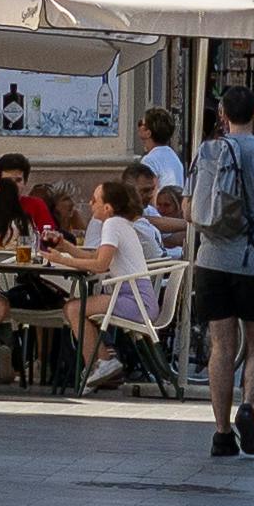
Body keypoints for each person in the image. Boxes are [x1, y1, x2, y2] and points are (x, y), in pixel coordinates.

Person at [186, 98, 254, 462]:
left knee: (221, 346)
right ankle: (248, 406)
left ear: (222, 115)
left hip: (211, 262)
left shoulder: (206, 152)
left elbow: (188, 210)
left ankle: (221, 433)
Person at [84, 166, 174, 390]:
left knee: (74, 308)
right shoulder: (124, 223)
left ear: (107, 207)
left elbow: (100, 264)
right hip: (141, 298)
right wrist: (64, 250)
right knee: (76, 308)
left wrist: (63, 258)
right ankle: (101, 363)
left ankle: (102, 363)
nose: (89, 204)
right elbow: (97, 257)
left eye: (94, 200)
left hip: (135, 302)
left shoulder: (113, 224)